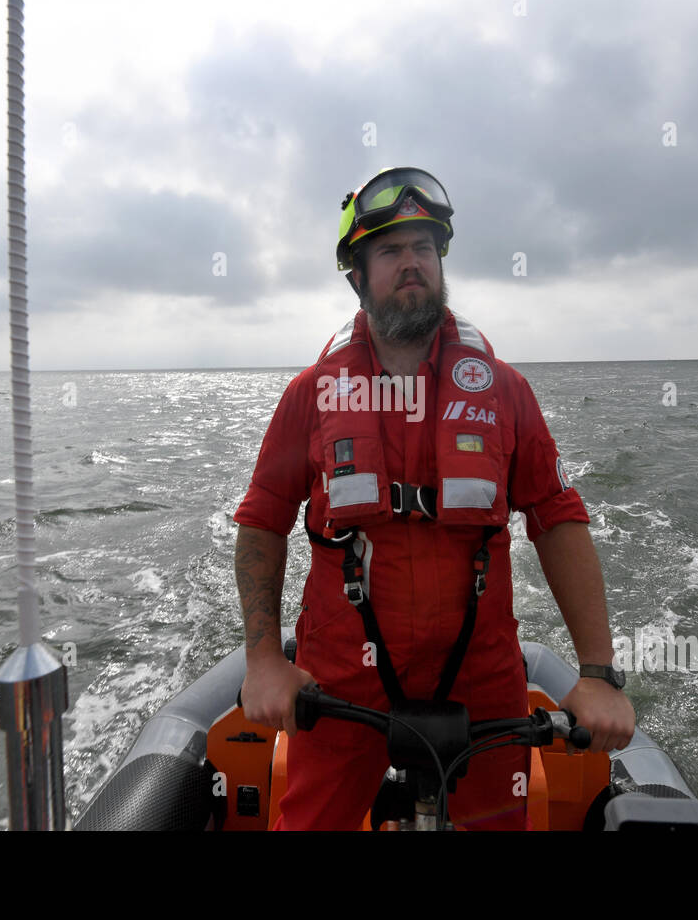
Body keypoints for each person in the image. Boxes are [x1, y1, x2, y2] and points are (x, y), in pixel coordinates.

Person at [233, 166, 634, 830]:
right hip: (339, 677)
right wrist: (264, 659)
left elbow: (558, 517)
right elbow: (262, 522)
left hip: (480, 675)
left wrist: (597, 671)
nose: (411, 262)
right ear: (357, 274)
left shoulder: (504, 392)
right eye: (389, 250)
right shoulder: (311, 394)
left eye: (424, 247)